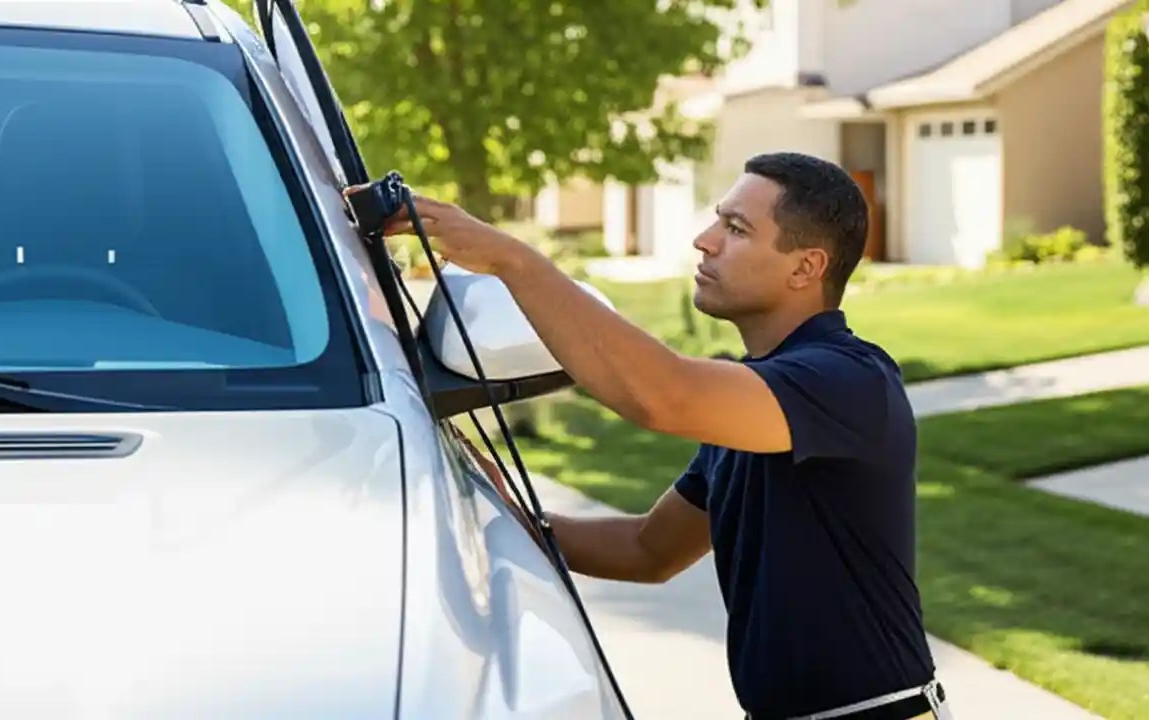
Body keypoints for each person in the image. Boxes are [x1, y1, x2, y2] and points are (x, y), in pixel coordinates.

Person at [373, 151, 950, 720]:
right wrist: (505, 518)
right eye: (717, 219)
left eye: (736, 228)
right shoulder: (753, 404)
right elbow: (650, 550)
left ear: (805, 268)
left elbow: (662, 393)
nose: (705, 239)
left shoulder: (846, 381)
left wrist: (512, 261)